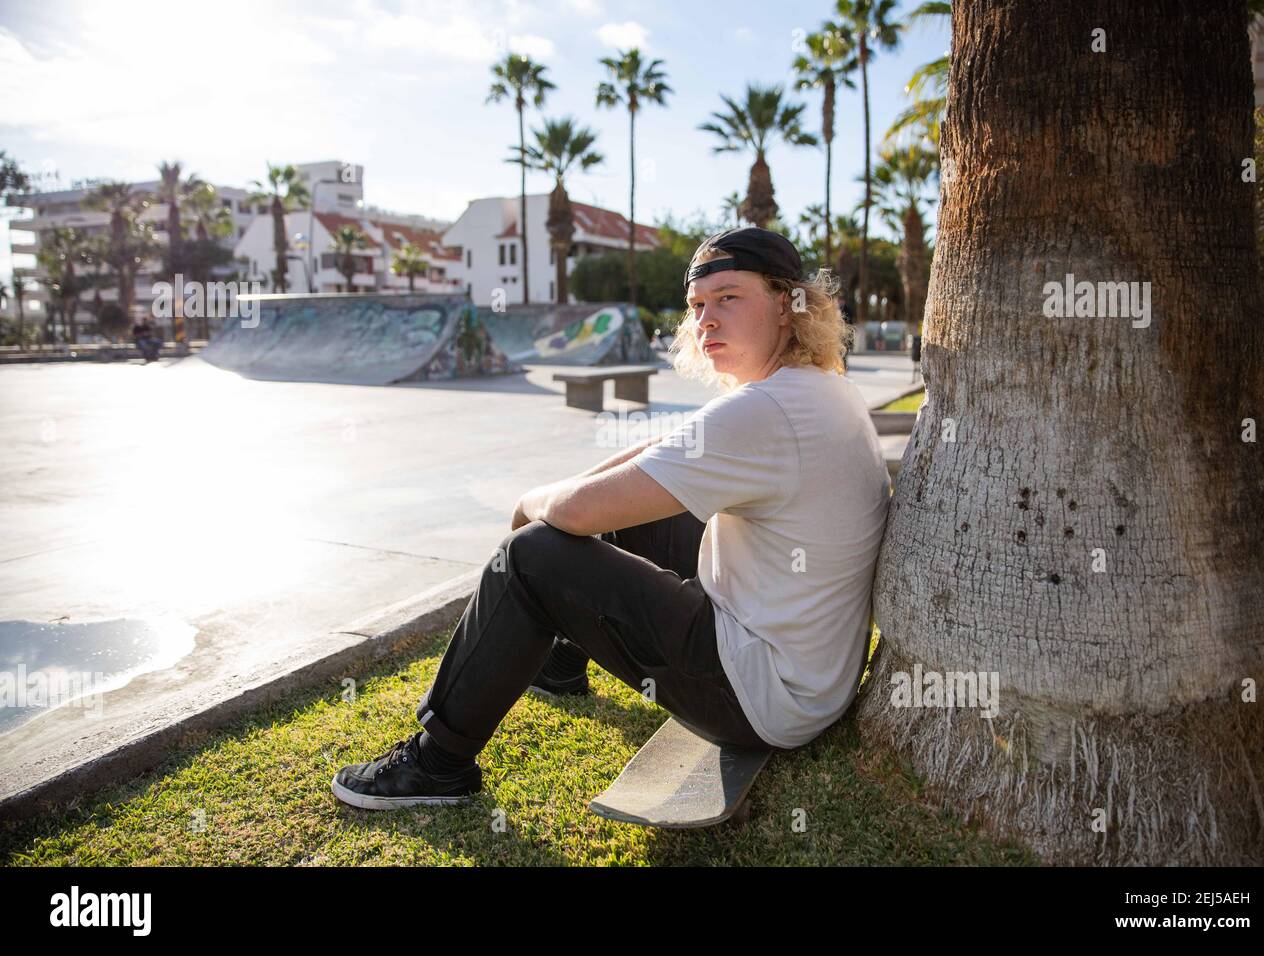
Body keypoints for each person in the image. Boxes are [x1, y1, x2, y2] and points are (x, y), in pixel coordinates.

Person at [330, 226, 893, 810]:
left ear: (787, 304)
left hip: (761, 696)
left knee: (531, 558)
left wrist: (531, 502)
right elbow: (666, 450)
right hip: (808, 673)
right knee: (635, 512)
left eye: (729, 298)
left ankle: (436, 764)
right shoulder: (816, 387)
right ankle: (561, 665)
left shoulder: (767, 410)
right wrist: (576, 490)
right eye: (698, 306)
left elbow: (575, 511)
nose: (706, 321)